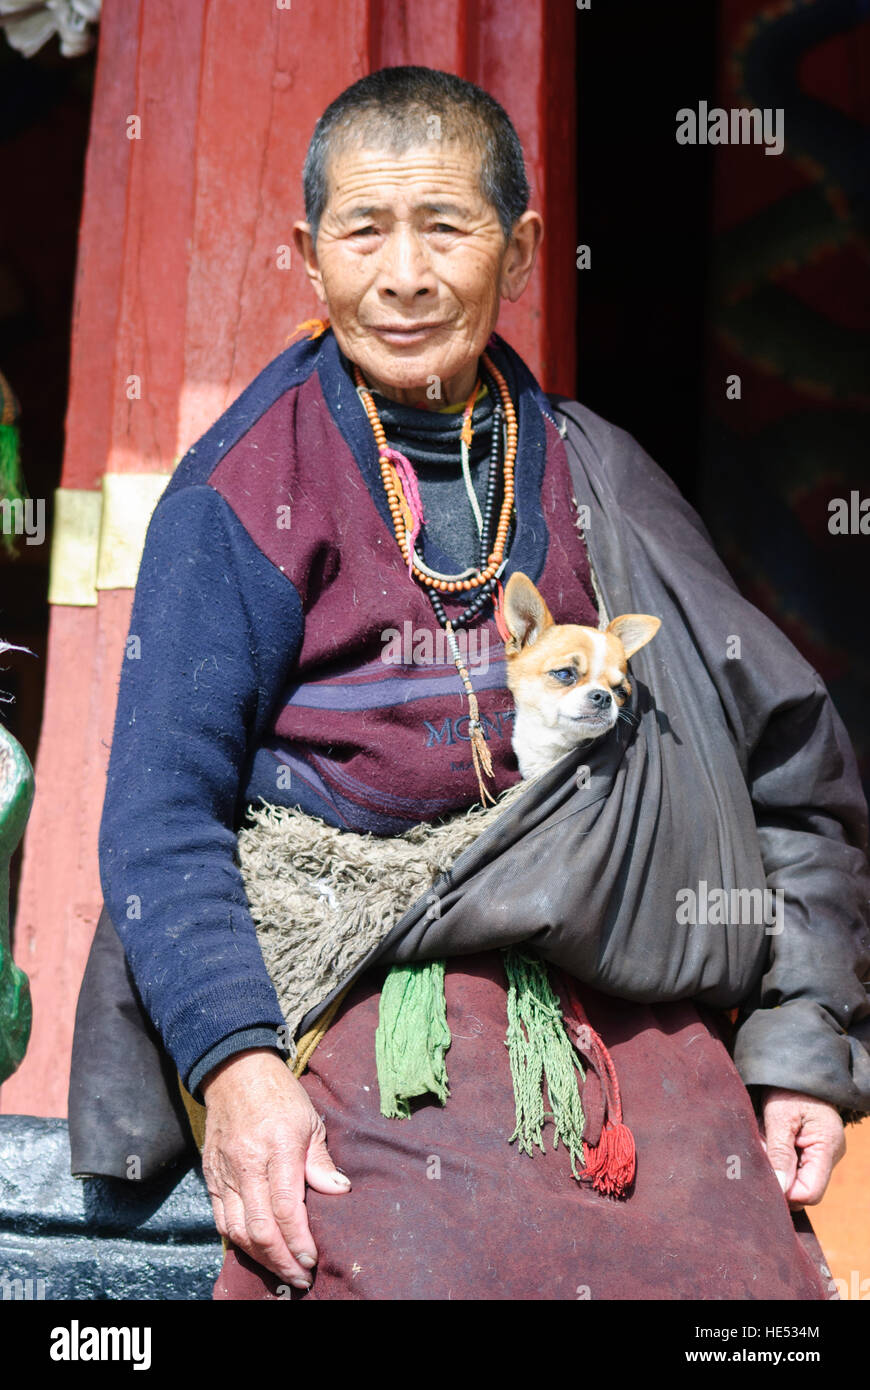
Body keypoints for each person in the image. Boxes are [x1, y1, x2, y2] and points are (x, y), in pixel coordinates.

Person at [84, 66, 870, 1301]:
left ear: (521, 250)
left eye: (446, 226)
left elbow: (792, 775)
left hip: (630, 990)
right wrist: (238, 1071)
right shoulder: (240, 495)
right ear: (306, 253)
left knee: (745, 1294)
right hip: (380, 998)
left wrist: (799, 1046)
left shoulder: (600, 475)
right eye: (364, 230)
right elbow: (157, 821)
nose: (403, 274)